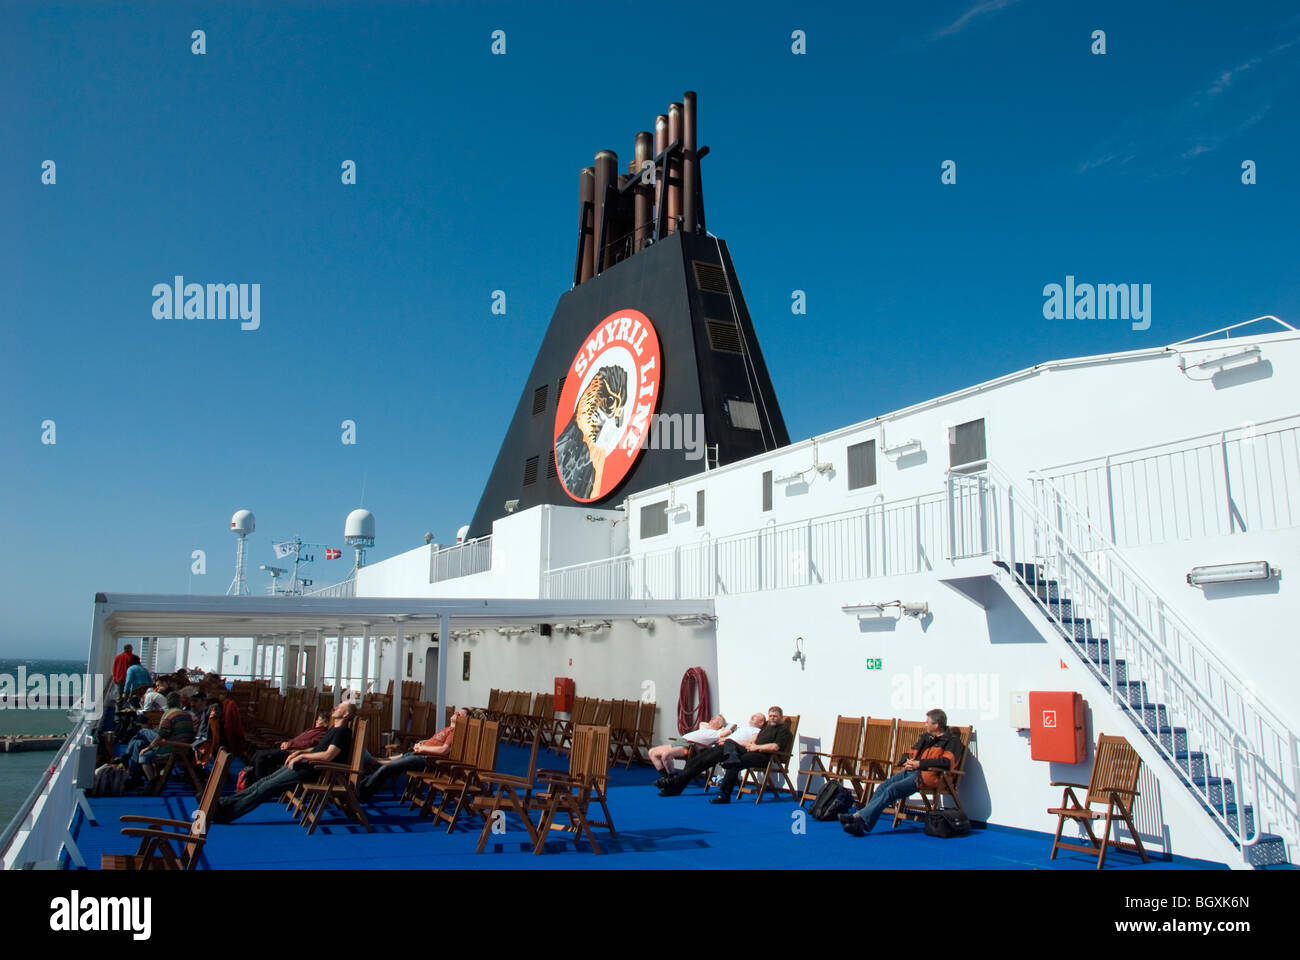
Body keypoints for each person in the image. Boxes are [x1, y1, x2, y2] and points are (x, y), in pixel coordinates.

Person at [211, 701, 358, 824]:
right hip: (303, 764)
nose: (335, 708)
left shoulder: (342, 732)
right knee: (262, 783)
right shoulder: (334, 729)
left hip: (309, 770)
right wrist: (300, 752)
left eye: (339, 707)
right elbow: (319, 748)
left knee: (266, 788)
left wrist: (303, 757)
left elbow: (328, 755)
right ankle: (223, 803)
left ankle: (227, 814)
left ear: (346, 714)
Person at [840, 708, 963, 836]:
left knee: (891, 790)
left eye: (927, 722)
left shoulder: (952, 742)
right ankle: (860, 822)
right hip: (912, 770)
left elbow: (947, 763)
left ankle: (857, 818)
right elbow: (909, 752)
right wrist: (907, 760)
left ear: (936, 725)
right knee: (883, 787)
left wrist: (919, 764)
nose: (925, 724)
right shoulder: (927, 737)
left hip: (928, 776)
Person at [358, 708, 468, 802]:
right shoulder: (446, 729)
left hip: (426, 760)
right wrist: (421, 743)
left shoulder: (455, 732)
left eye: (459, 713)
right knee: (385, 764)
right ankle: (363, 780)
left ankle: (361, 794)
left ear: (464, 719)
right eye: (455, 711)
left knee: (386, 768)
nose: (455, 713)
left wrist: (422, 747)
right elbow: (433, 741)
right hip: (418, 754)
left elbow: (443, 750)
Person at [655, 710, 771, 795]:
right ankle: (677, 787)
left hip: (732, 749)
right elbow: (704, 725)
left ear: (761, 723)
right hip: (723, 746)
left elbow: (750, 744)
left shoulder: (756, 731)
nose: (752, 716)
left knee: (704, 762)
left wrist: (729, 740)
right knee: (696, 761)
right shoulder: (744, 728)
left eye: (756, 717)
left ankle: (674, 783)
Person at [245, 711, 329, 785]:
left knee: (261, 756)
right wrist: (287, 743)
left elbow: (309, 744)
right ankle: (248, 778)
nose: (316, 721)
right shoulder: (312, 730)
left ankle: (257, 784)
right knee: (258, 753)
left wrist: (290, 745)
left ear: (326, 723)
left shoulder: (322, 734)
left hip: (294, 753)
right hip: (290, 749)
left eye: (319, 720)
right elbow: (297, 739)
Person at [135, 693, 196, 785]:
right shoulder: (186, 714)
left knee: (142, 744)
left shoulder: (169, 714)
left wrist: (148, 748)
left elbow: (162, 734)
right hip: (185, 747)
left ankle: (152, 782)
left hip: (174, 748)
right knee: (138, 742)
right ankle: (146, 777)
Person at [647, 714, 728, 774]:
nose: (711, 719)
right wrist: (711, 726)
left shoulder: (715, 733)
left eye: (715, 719)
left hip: (687, 747)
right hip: (680, 741)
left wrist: (727, 728)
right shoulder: (704, 728)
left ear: (720, 724)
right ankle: (665, 777)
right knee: (652, 752)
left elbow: (725, 733)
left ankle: (671, 777)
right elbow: (702, 723)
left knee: (665, 755)